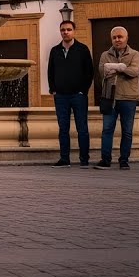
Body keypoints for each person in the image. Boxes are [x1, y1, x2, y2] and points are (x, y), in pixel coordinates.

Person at [47, 20, 93, 168]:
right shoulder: (55, 50)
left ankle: (84, 159)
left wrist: (83, 91)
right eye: (63, 30)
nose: (65, 32)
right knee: (63, 129)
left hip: (78, 96)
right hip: (60, 96)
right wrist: (53, 89)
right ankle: (64, 159)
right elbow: (50, 71)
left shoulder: (82, 49)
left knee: (82, 129)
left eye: (68, 29)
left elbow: (89, 72)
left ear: (74, 31)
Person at [95, 26, 139, 171]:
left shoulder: (135, 54)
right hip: (110, 97)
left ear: (126, 38)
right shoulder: (105, 54)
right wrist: (121, 67)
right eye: (114, 37)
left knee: (127, 131)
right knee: (107, 130)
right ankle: (105, 160)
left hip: (129, 98)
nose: (117, 39)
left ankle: (124, 160)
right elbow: (103, 71)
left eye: (120, 37)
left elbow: (134, 71)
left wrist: (117, 67)